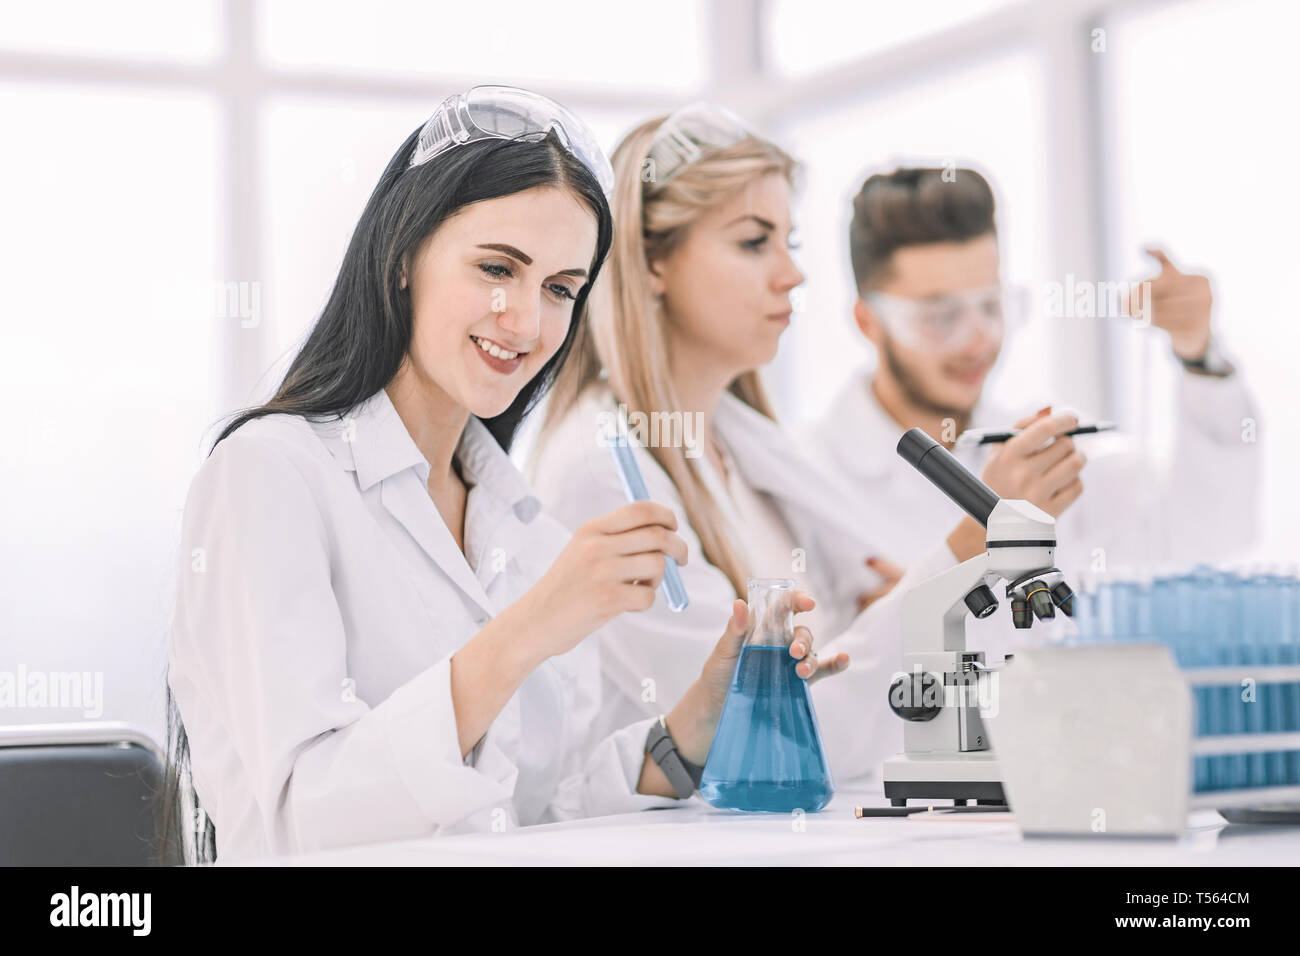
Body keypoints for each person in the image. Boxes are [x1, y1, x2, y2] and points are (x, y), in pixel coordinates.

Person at [160, 87, 840, 863]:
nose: (526, 320)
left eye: (559, 289)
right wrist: (528, 631)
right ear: (404, 254)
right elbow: (303, 815)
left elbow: (543, 808)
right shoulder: (268, 476)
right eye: (496, 268)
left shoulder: (522, 526)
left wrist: (692, 727)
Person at [526, 104, 957, 785]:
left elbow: (842, 653)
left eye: (790, 243)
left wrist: (888, 618)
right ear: (653, 262)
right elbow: (762, 737)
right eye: (755, 243)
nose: (792, 275)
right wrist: (956, 565)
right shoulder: (603, 476)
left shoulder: (743, 450)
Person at [805, 167, 1260, 599]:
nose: (977, 339)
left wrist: (1200, 356)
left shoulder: (1053, 452)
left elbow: (1209, 532)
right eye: (940, 317)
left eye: (990, 304)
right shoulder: (811, 479)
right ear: (868, 322)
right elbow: (824, 664)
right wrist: (910, 611)